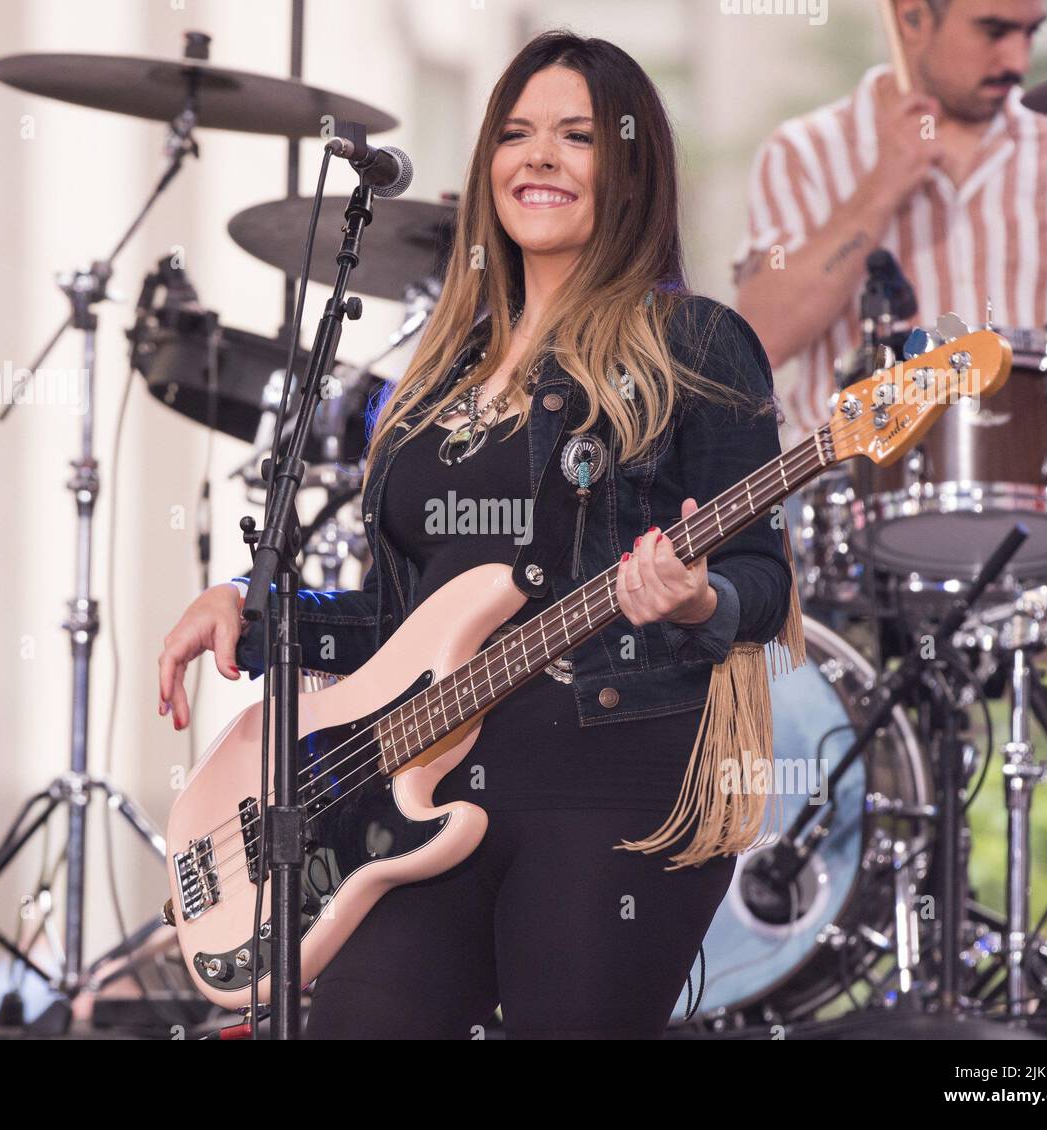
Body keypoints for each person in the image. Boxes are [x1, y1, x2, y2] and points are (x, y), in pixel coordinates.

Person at [158, 31, 800, 1040]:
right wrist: (254, 601)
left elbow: (762, 575)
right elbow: (394, 620)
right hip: (419, 794)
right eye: (515, 133)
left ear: (630, 172)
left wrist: (699, 599)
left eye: (577, 136)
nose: (537, 157)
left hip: (611, 780)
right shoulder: (434, 380)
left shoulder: (696, 344)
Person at [733, 0, 1047, 884]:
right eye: (994, 28)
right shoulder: (807, 152)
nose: (1019, 55)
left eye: (1033, 30)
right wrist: (885, 182)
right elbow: (756, 337)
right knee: (765, 671)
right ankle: (801, 939)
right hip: (844, 521)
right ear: (911, 17)